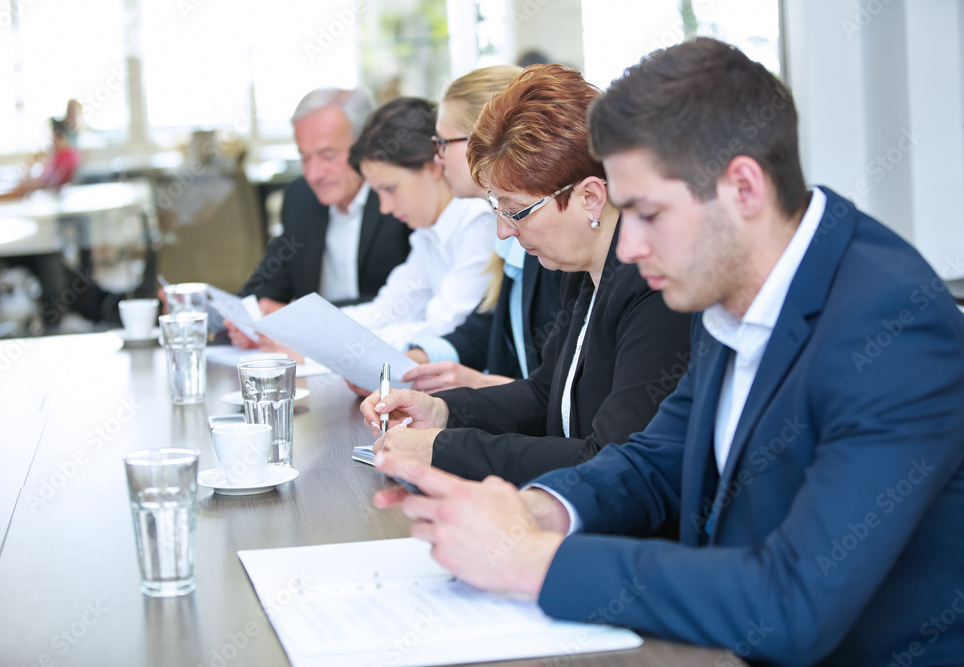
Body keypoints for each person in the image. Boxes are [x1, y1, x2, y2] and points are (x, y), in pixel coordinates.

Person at [369, 39, 964, 666]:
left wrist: (538, 560)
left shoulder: (893, 328)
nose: (628, 248)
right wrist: (537, 511)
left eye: (647, 213)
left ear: (743, 189)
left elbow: (794, 600)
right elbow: (655, 461)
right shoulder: (726, 281)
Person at [361, 65, 692, 486]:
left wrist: (443, 448)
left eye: (516, 211)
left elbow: (612, 459)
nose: (503, 231)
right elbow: (543, 394)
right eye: (496, 209)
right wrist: (442, 412)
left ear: (590, 197)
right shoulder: (581, 265)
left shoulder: (653, 284)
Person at [403, 65, 566, 392]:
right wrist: (417, 360)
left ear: (486, 140)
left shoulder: (553, 242)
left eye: (443, 143)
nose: (437, 159)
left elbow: (560, 393)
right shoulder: (507, 230)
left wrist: (480, 385)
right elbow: (485, 329)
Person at [227, 87, 413, 348]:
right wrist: (246, 319)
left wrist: (299, 318)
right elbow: (265, 285)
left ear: (367, 145)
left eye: (328, 156)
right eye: (304, 158)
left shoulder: (399, 202)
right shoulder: (302, 197)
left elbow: (403, 303)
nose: (314, 174)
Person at [339, 97, 497, 350]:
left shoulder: (480, 223)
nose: (384, 208)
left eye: (390, 189)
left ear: (434, 166)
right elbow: (388, 310)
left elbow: (444, 327)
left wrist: (340, 345)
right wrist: (314, 332)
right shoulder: (429, 231)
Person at [0, 118, 80, 200]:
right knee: (21, 185)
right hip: (40, 184)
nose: (52, 141)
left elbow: (54, 181)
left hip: (44, 187)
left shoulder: (67, 156)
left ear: (60, 137)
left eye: (54, 137)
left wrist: (36, 182)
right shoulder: (57, 154)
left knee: (21, 188)